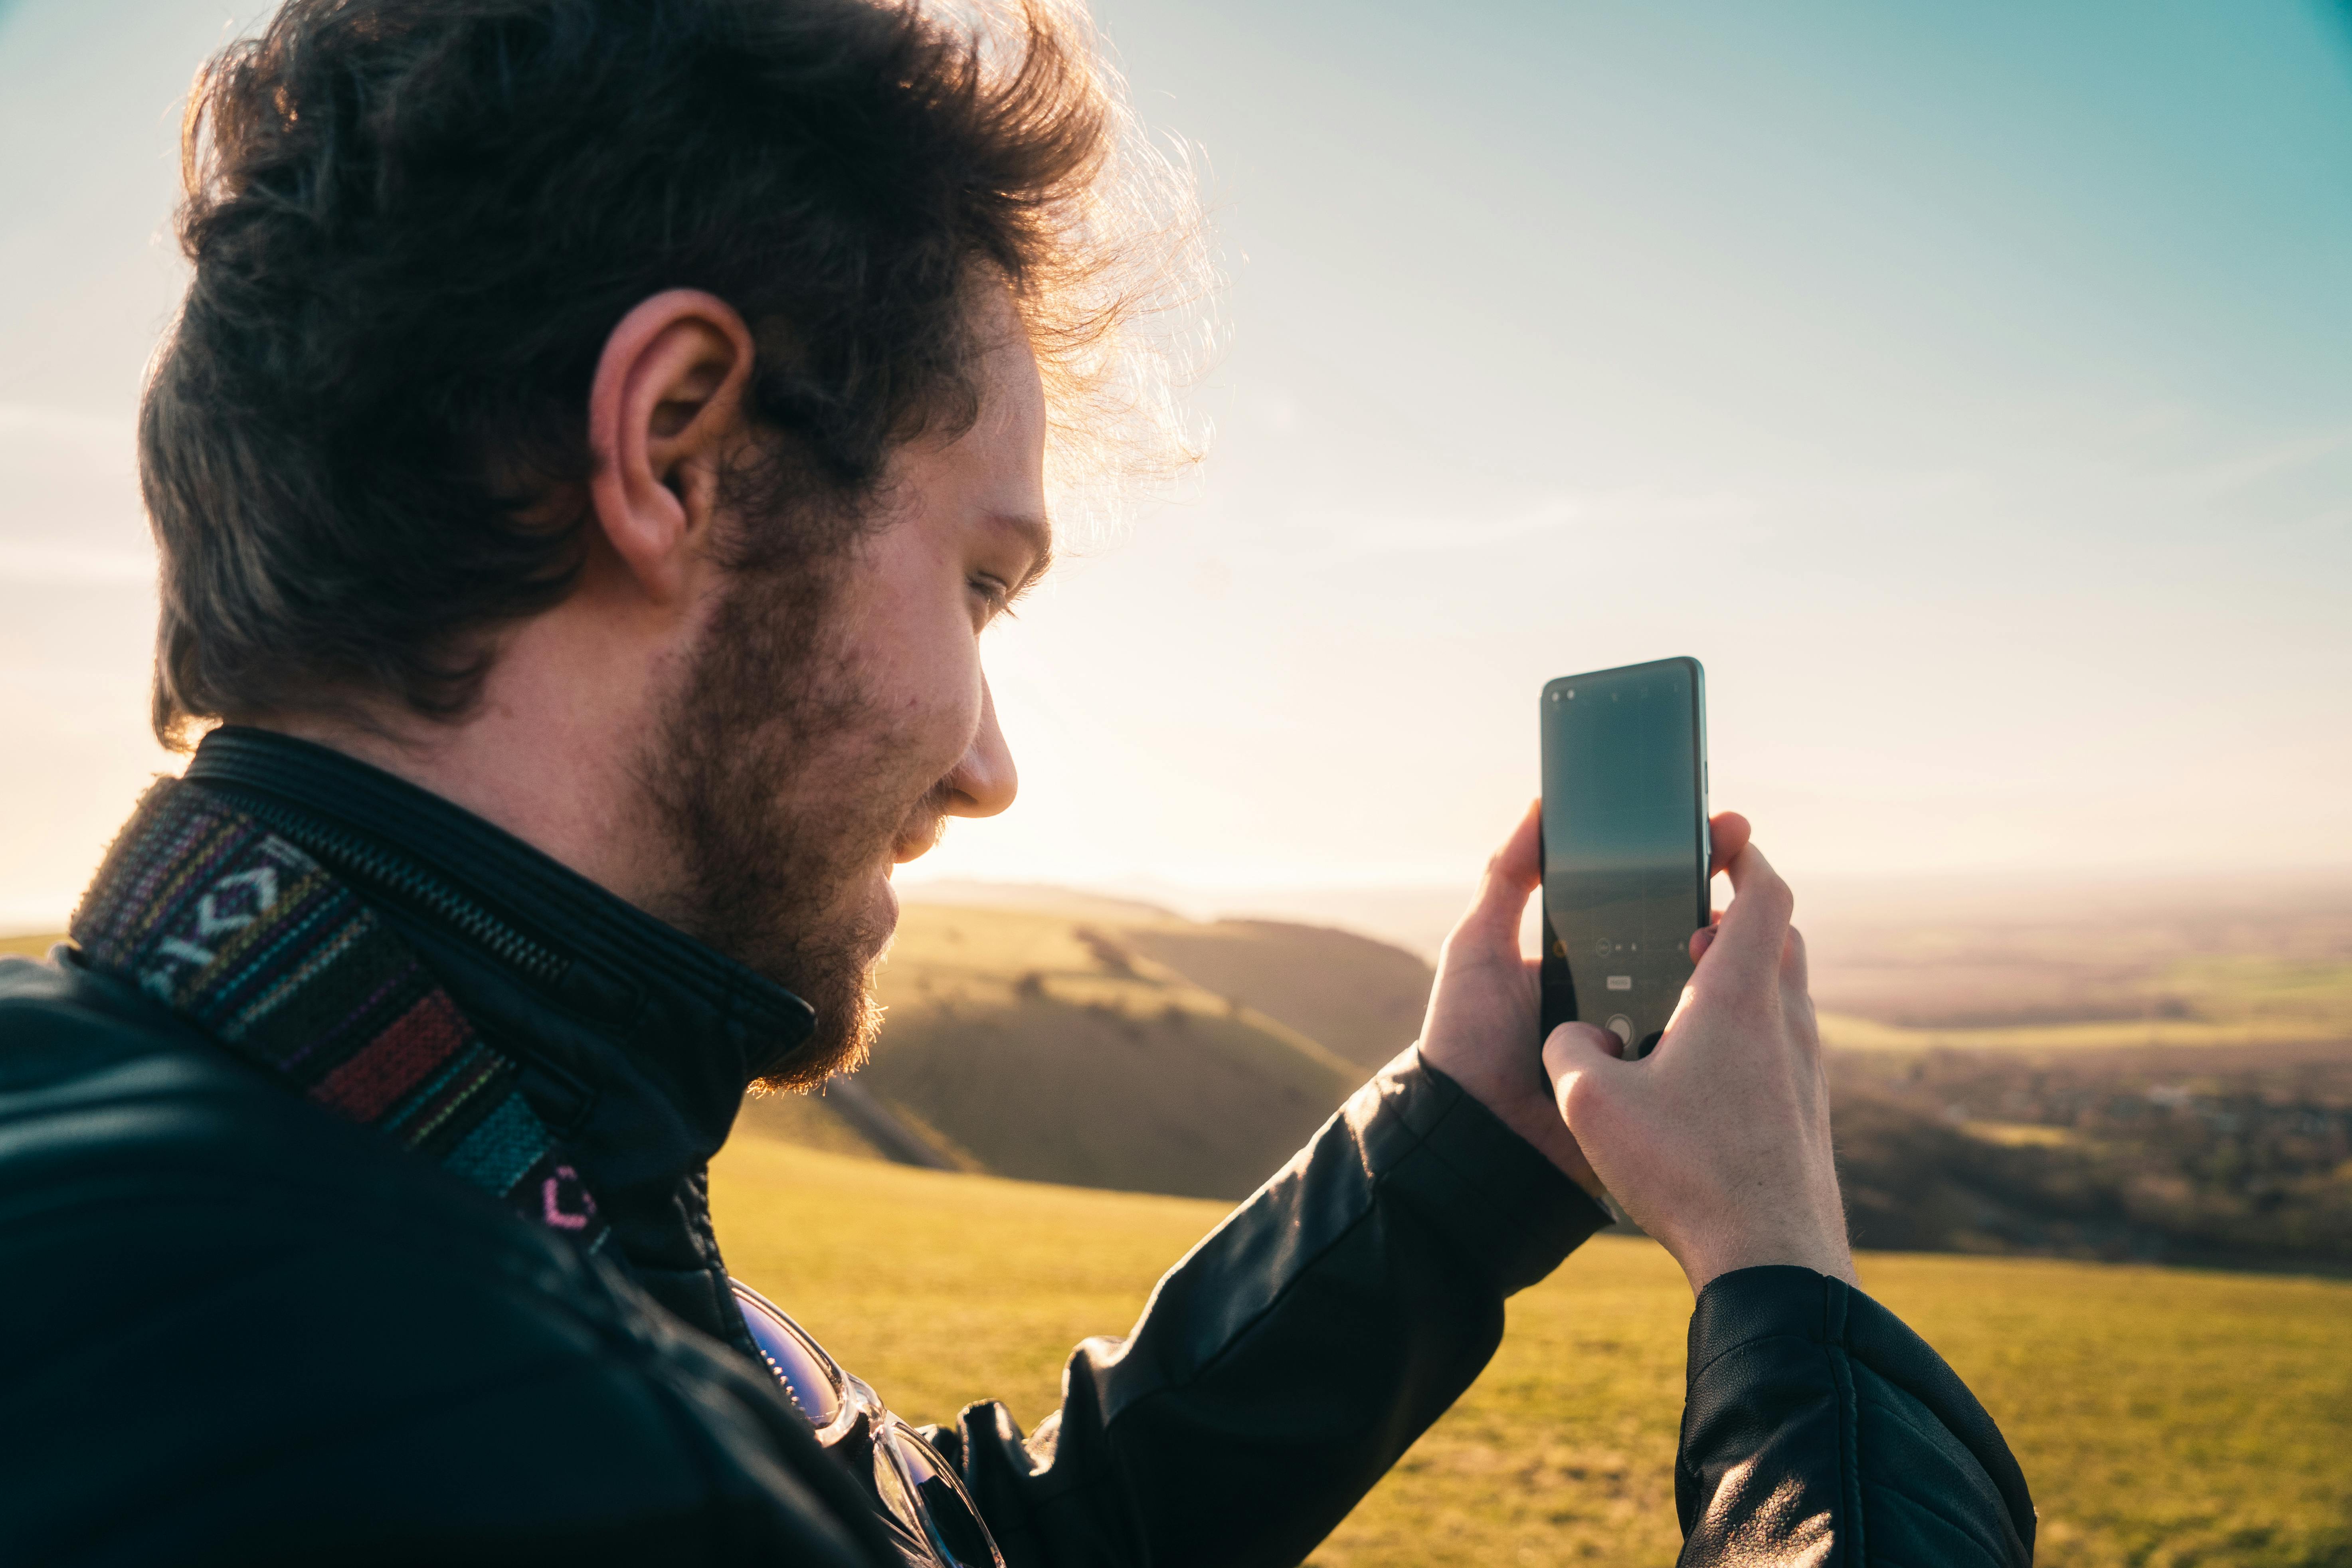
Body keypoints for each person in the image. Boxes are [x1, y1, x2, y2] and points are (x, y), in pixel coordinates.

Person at [0, 0, 2034, 1563]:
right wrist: (1784, 1288)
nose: (985, 761)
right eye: (976, 577)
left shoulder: (344, 1155)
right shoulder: (486, 1426)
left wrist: (1466, 1157)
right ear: (676, 446)